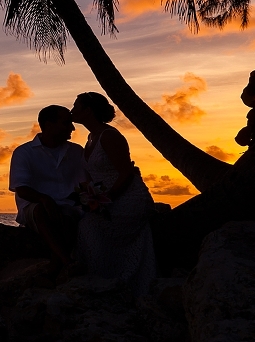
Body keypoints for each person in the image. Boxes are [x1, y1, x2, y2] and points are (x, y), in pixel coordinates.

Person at [70, 91, 157, 296]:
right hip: (107, 198)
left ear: (88, 111)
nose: (72, 110)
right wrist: (89, 196)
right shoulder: (91, 137)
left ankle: (112, 280)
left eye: (76, 106)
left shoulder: (109, 136)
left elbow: (126, 173)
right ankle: (106, 278)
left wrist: (106, 200)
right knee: (86, 224)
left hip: (127, 197)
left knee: (88, 226)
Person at [8, 105, 88, 267]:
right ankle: (67, 262)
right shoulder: (24, 152)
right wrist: (45, 199)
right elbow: (21, 188)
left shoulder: (76, 151)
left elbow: (85, 184)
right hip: (35, 207)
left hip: (68, 207)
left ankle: (57, 266)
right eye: (66, 123)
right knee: (40, 211)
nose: (72, 128)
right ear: (49, 124)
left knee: (66, 220)